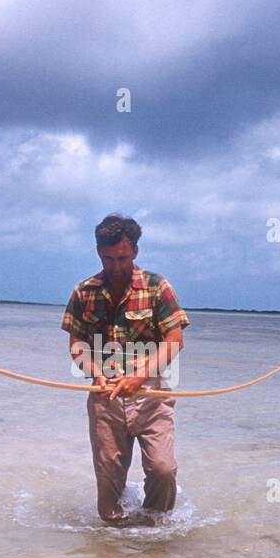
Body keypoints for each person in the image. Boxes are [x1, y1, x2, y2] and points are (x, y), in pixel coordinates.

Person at [61, 213, 189, 524]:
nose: (115, 266)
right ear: (97, 252)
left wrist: (140, 376)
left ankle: (153, 530)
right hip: (104, 397)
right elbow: (77, 344)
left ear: (134, 251)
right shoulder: (83, 292)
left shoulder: (157, 287)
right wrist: (95, 371)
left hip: (151, 394)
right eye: (108, 259)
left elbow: (175, 340)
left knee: (163, 469)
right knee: (107, 488)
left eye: (122, 258)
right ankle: (113, 543)